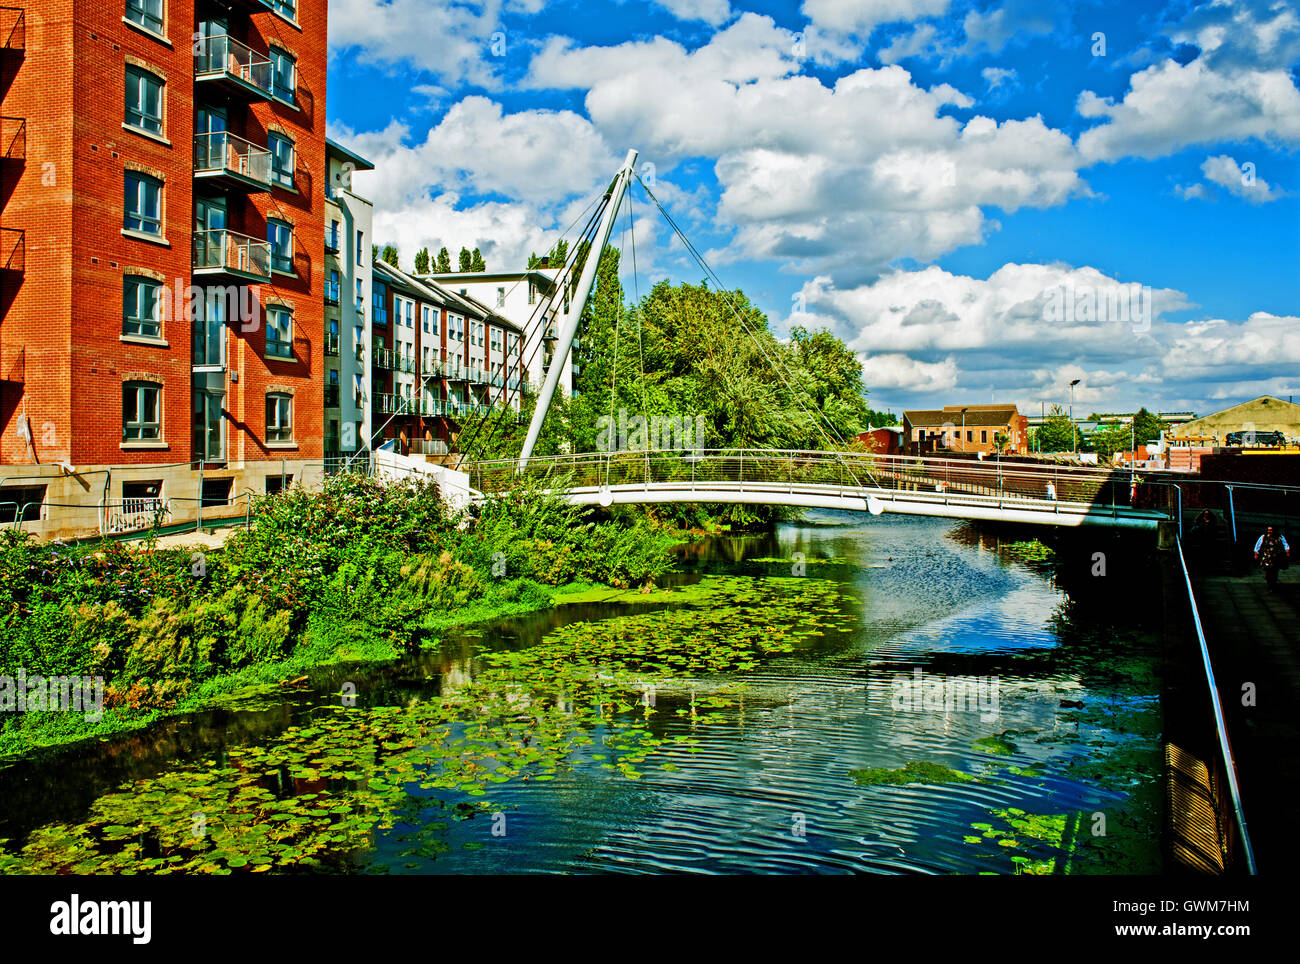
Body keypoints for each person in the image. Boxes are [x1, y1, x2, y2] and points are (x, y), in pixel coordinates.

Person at [1253, 526, 1291, 592]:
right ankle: (1270, 584)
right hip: (1267, 557)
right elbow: (1258, 545)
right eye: (1268, 530)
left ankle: (1273, 585)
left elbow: (1285, 544)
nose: (1269, 531)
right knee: (1268, 571)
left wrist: (1287, 551)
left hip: (1277, 557)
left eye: (1271, 530)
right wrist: (1256, 553)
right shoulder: (1264, 536)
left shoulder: (1280, 536)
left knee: (1275, 571)